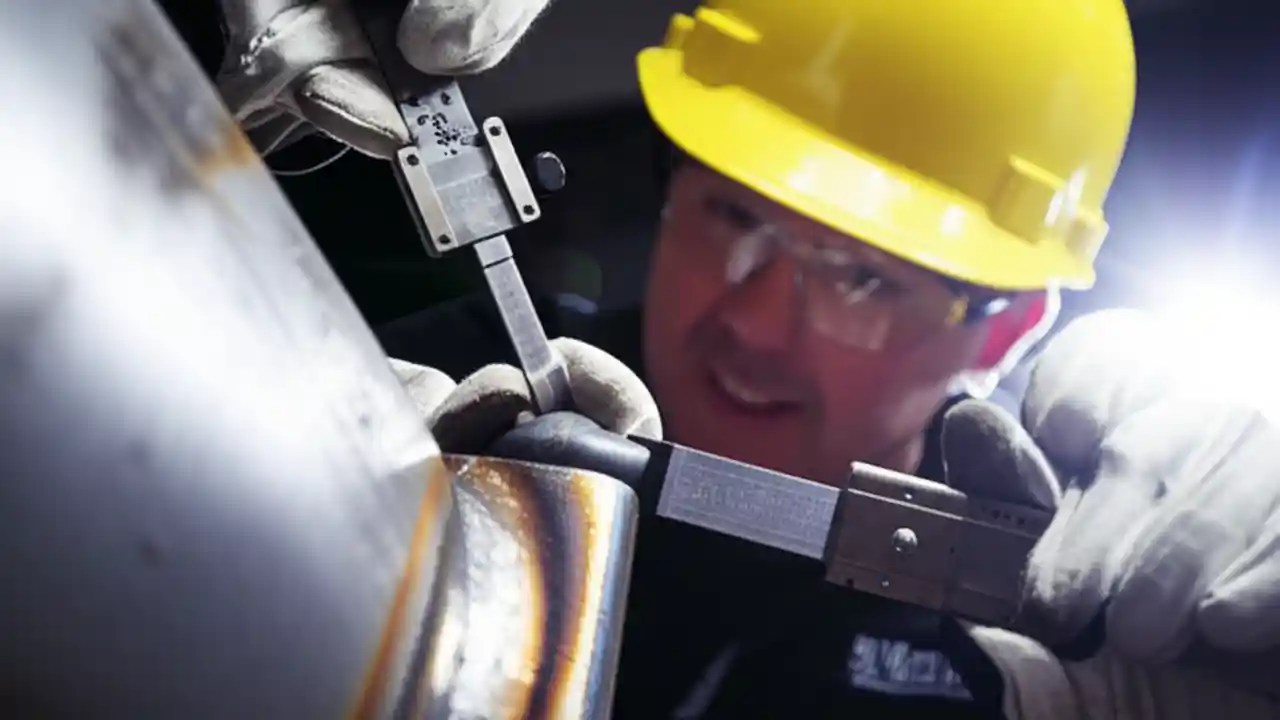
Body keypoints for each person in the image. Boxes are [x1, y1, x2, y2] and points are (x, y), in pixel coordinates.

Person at [219, 0, 1280, 717]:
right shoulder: (417, 402)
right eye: (731, 214)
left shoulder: (1056, 636)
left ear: (1004, 332)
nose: (752, 320)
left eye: (863, 279)